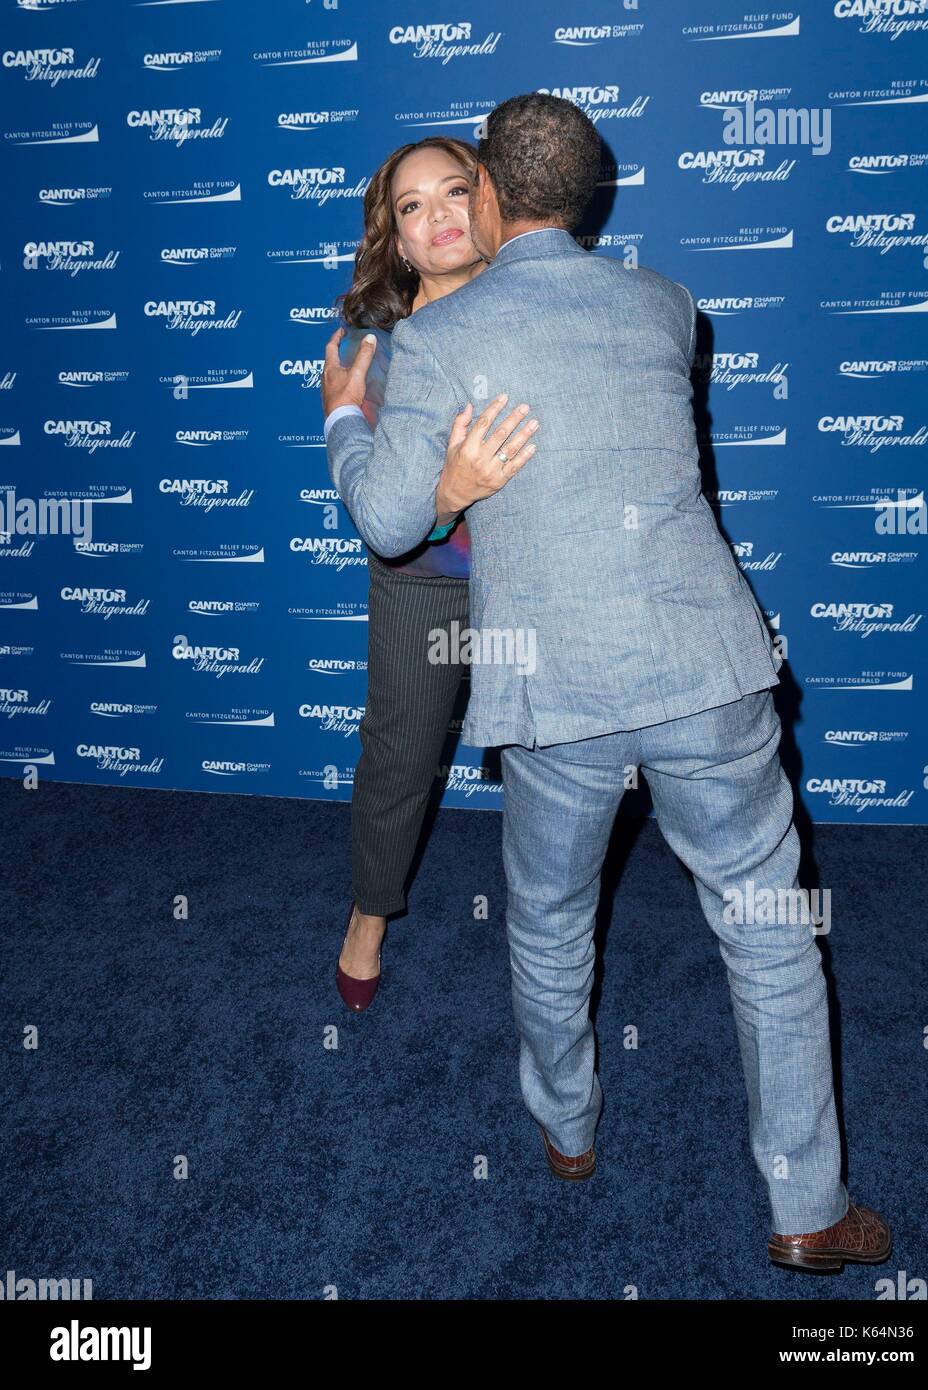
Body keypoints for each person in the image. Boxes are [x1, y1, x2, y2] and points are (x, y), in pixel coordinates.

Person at [322, 92, 891, 1273]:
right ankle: (808, 1210)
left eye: (458, 186)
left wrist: (343, 418)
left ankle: (569, 1134)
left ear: (484, 193)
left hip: (555, 684)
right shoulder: (669, 304)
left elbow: (384, 520)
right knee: (772, 933)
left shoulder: (434, 345)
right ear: (589, 195)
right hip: (706, 667)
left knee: (546, 918)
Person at [329, 136, 530, 1012]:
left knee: (550, 758)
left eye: (455, 191)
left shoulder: (552, 315)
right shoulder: (373, 350)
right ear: (397, 240)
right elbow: (386, 519)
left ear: (488, 204)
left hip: (542, 572)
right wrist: (447, 498)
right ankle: (368, 917)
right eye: (412, 206)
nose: (439, 216)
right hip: (425, 580)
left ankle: (548, 924)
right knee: (400, 759)